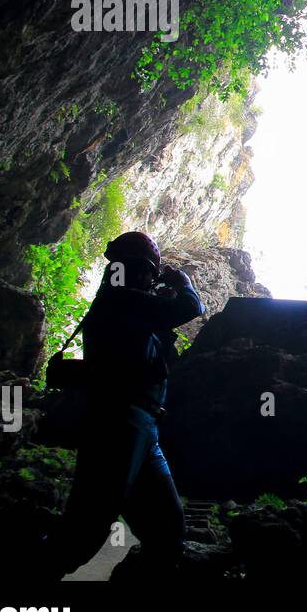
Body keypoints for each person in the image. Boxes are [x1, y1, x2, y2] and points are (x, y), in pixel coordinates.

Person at [37, 230, 204, 579]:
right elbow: (190, 307)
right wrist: (183, 280)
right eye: (148, 270)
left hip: (143, 426)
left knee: (167, 530)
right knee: (88, 525)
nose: (151, 278)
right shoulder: (122, 300)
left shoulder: (124, 302)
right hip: (118, 423)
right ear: (131, 269)